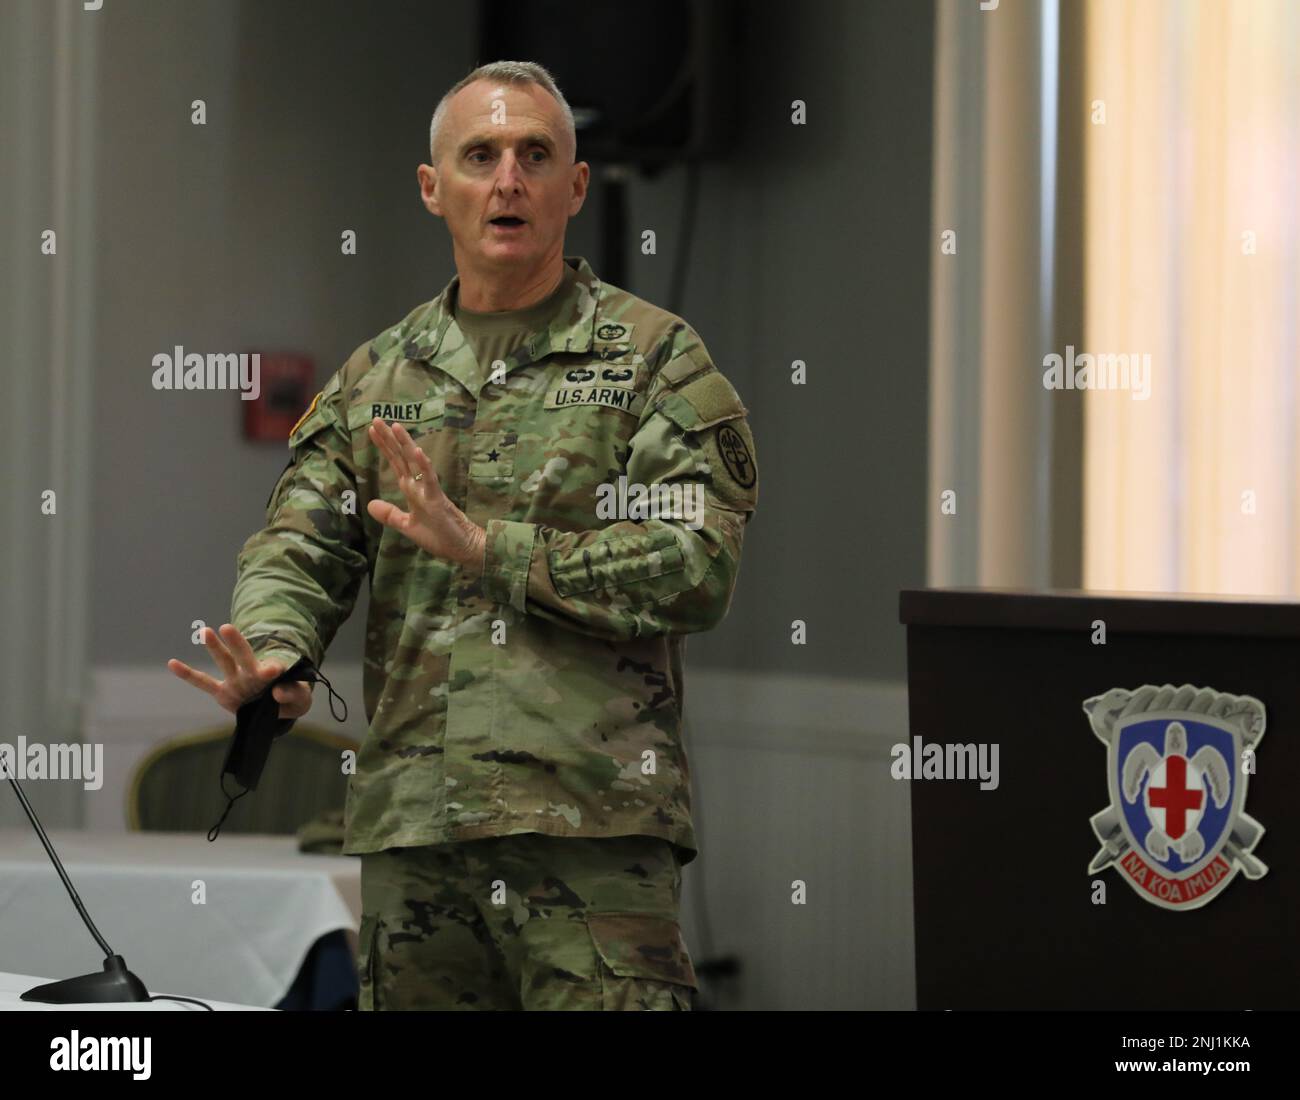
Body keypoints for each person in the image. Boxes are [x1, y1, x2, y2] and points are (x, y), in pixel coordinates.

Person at [167, 60, 758, 1010]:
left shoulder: (654, 357)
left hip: (590, 825)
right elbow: (300, 545)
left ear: (576, 185)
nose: (508, 180)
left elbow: (696, 567)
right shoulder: (377, 375)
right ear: (433, 188)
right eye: (480, 155)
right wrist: (277, 654)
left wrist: (492, 551)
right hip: (418, 825)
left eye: (536, 154)